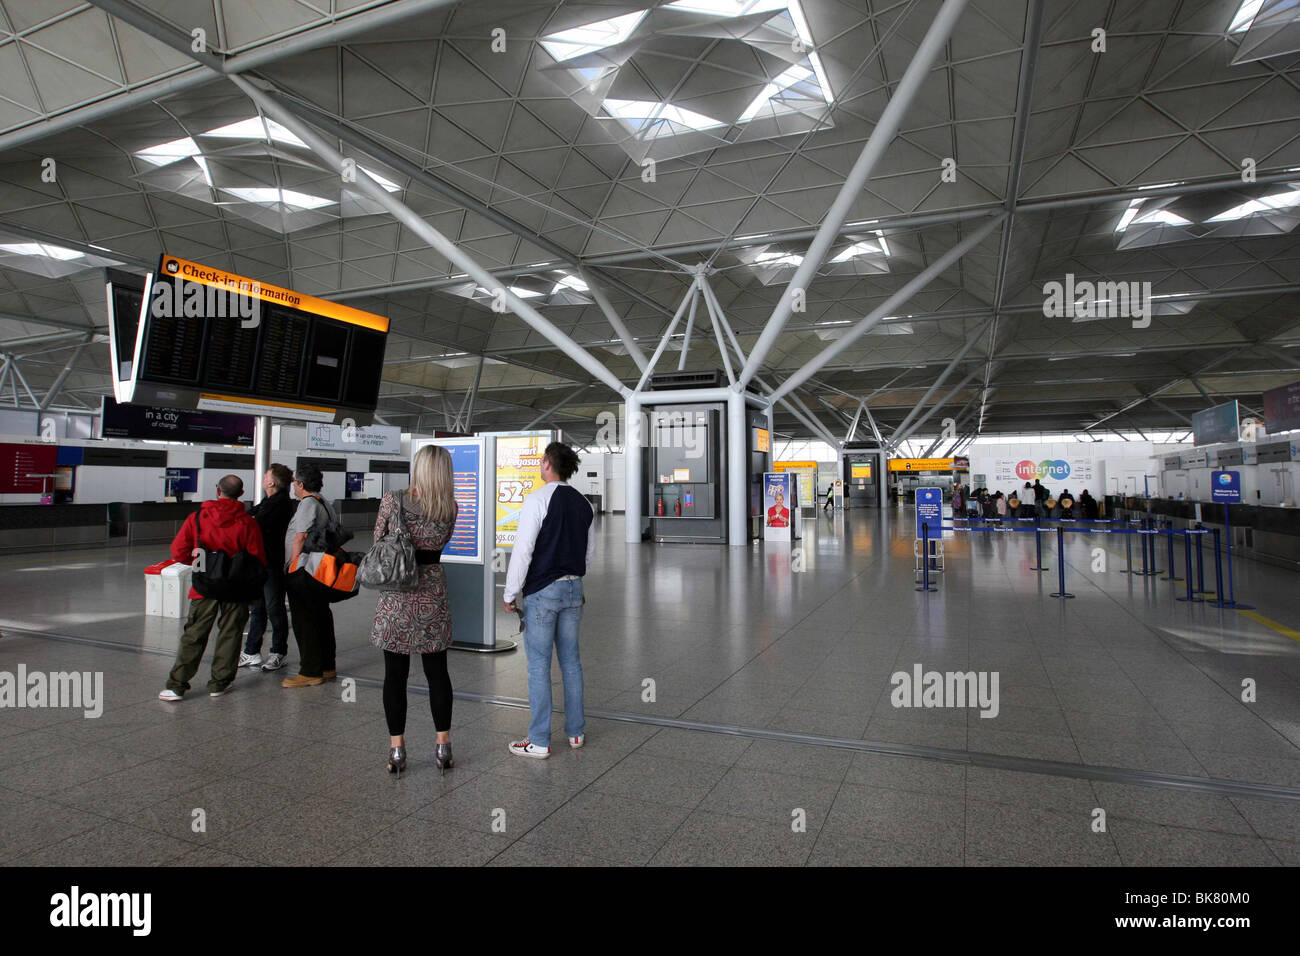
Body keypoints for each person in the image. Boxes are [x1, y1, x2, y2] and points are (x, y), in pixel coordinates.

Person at [370, 446, 459, 775]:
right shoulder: (450, 508)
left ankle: (397, 750)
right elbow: (439, 546)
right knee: (438, 674)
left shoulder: (393, 500)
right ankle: (443, 746)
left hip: (397, 595)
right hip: (432, 594)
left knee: (395, 676)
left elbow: (379, 541)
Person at [503, 441, 595, 759]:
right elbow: (589, 553)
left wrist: (510, 592)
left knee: (539, 665)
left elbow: (523, 551)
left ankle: (539, 740)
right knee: (571, 662)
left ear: (546, 464)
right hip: (573, 588)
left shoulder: (537, 500)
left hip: (543, 591)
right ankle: (575, 733)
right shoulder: (585, 504)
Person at [159, 475, 267, 701]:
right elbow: (257, 559)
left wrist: (198, 562)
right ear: (241, 493)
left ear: (218, 490)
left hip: (203, 587)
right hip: (236, 589)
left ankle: (176, 685)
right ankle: (219, 683)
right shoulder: (248, 522)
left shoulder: (198, 518)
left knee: (194, 635)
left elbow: (178, 550)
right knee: (230, 635)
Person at [281, 461, 340, 689]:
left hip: (304, 571)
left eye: (295, 482)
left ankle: (310, 671)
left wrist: (293, 566)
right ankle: (327, 666)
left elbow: (300, 537)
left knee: (305, 621)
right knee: (321, 616)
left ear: (301, 484)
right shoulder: (325, 502)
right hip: (319, 570)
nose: (293, 486)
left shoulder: (307, 503)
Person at [239, 463, 297, 672]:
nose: (263, 478)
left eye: (266, 476)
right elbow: (251, 516)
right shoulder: (269, 501)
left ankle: (278, 652)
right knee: (258, 608)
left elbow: (256, 522)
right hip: (262, 564)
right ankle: (252, 651)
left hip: (272, 564)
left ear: (272, 482)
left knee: (274, 608)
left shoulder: (280, 503)